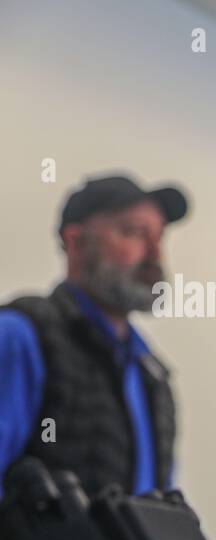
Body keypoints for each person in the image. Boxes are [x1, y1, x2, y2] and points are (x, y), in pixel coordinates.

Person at [0, 174, 188, 497]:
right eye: (133, 233)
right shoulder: (21, 337)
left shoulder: (151, 376)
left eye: (159, 237)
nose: (154, 254)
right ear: (76, 242)